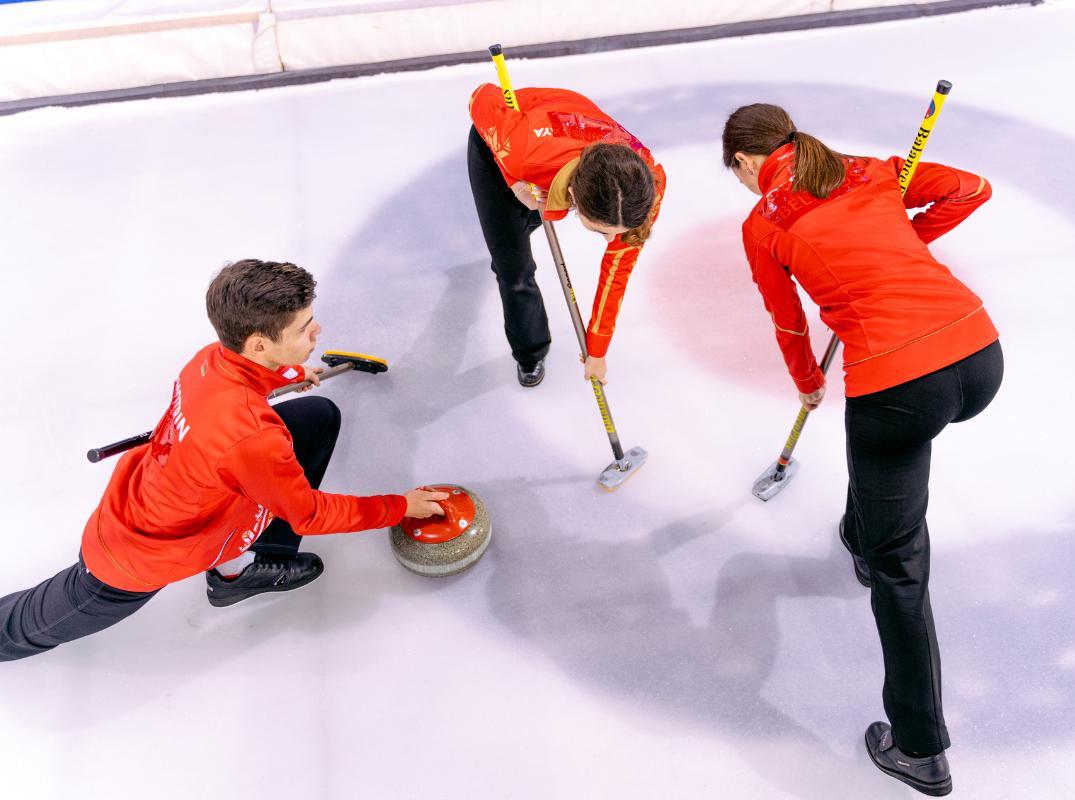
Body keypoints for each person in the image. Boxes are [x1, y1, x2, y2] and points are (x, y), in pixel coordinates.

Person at [723, 104, 1003, 796]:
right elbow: (970, 187)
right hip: (979, 353)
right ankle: (860, 530)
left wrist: (808, 381)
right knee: (884, 472)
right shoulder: (871, 171)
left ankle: (919, 748)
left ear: (747, 163)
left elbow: (785, 317)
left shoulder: (764, 223)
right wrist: (910, 239)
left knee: (899, 570)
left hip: (903, 386)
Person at [0, 259, 448, 662]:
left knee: (315, 417)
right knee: (22, 626)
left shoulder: (211, 359)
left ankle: (236, 573)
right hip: (136, 552)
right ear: (257, 344)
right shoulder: (252, 439)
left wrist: (290, 371)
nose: (318, 333)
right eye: (304, 328)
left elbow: (245, 383)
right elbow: (310, 515)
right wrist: (399, 506)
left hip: (199, 487)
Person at [467, 83, 666, 387]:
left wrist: (597, 349)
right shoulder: (521, 154)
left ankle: (524, 223)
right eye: (601, 230)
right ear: (574, 194)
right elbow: (481, 95)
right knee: (512, 266)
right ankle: (530, 351)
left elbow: (617, 270)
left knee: (530, 222)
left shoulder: (646, 184)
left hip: (556, 143)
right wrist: (513, 179)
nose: (608, 240)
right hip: (506, 144)